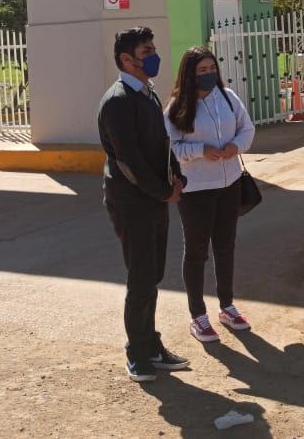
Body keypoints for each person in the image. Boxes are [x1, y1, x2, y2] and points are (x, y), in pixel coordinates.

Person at [98, 26, 190, 382]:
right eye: (146, 50)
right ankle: (137, 353)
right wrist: (162, 192)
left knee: (152, 275)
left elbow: (161, 145)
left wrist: (176, 175)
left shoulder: (147, 94)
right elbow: (129, 161)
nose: (153, 56)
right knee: (140, 278)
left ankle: (152, 345)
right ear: (126, 59)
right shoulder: (118, 101)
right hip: (133, 202)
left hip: (154, 199)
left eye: (153, 48)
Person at [164, 47, 256, 345]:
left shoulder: (228, 98)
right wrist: (199, 151)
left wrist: (236, 146)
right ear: (189, 74)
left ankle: (227, 306)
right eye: (201, 71)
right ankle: (198, 315)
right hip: (195, 190)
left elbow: (247, 129)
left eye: (211, 68)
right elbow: (170, 149)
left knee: (225, 246)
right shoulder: (177, 107)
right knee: (196, 252)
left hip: (229, 185)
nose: (208, 75)